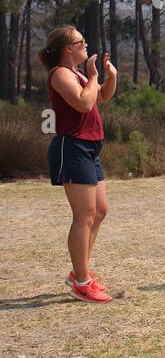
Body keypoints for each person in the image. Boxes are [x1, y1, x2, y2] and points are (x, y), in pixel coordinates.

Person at [42, 26, 116, 303]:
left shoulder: (77, 73)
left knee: (99, 211)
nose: (85, 44)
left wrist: (110, 78)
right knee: (84, 215)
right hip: (72, 147)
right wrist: (94, 76)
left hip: (91, 147)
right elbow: (84, 104)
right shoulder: (60, 74)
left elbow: (100, 98)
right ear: (67, 49)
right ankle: (82, 282)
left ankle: (80, 272)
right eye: (80, 41)